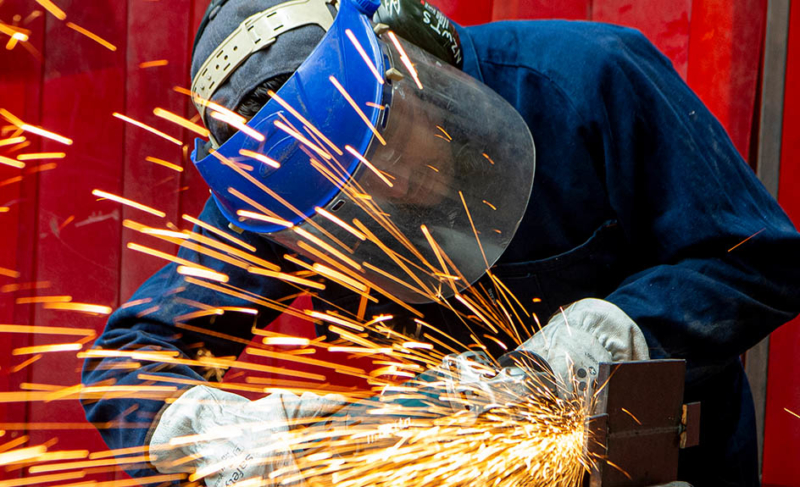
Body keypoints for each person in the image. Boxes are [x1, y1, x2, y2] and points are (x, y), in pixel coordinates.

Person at [81, 0, 800, 485]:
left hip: (663, 462)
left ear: (412, 56)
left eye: (385, 141)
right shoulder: (284, 191)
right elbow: (129, 359)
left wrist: (601, 338)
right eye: (346, 197)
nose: (384, 186)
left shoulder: (590, 81)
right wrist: (227, 436)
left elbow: (761, 257)